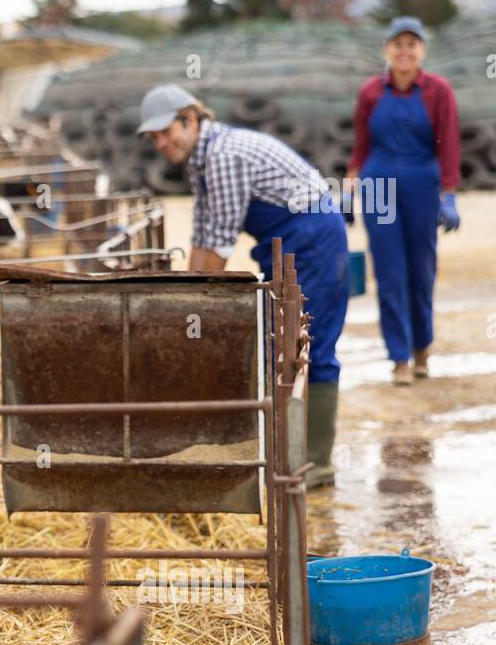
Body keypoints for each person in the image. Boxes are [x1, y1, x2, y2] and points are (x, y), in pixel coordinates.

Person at [138, 84, 349, 489]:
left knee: (309, 345)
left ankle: (317, 464)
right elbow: (204, 234)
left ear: (192, 119)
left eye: (167, 131)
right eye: (155, 138)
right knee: (279, 347)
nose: (162, 143)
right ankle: (286, 452)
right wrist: (188, 304)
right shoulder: (200, 160)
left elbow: (218, 246)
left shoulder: (223, 156)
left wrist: (195, 312)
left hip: (314, 239)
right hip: (285, 242)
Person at [345, 16, 462, 386]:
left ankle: (422, 349)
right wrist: (349, 190)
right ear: (388, 50)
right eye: (398, 44)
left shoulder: (437, 91)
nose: (405, 51)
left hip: (421, 184)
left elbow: (449, 144)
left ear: (421, 50)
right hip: (378, 184)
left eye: (412, 44)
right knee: (389, 272)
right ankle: (398, 357)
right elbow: (361, 145)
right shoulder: (370, 92)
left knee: (421, 270)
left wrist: (450, 194)